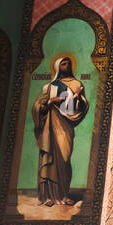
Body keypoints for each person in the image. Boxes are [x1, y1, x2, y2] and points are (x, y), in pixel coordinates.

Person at [32, 55, 89, 207]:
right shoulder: (49, 87)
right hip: (50, 126)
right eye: (64, 64)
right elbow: (39, 107)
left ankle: (63, 194)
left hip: (66, 126)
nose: (67, 66)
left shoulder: (77, 84)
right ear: (58, 67)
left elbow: (80, 107)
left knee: (64, 158)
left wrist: (78, 97)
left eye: (69, 63)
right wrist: (51, 102)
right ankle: (49, 196)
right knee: (49, 156)